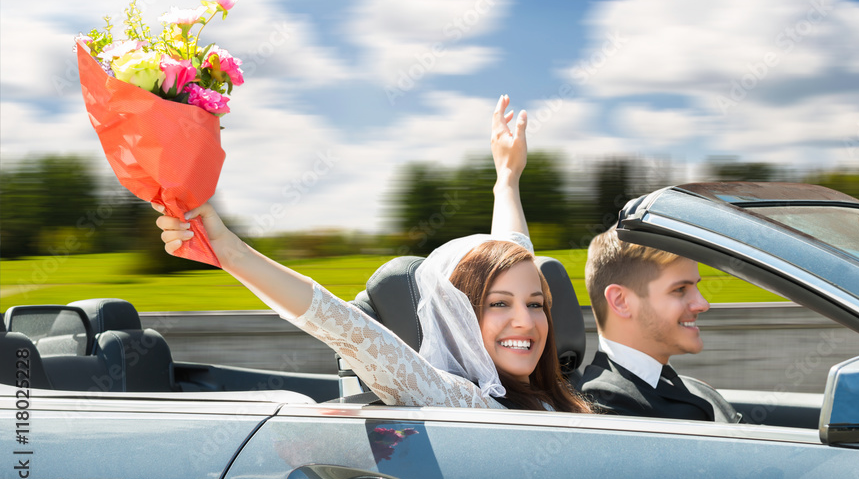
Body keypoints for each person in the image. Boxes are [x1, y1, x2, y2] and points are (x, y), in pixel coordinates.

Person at [155, 95, 592, 413]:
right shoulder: (462, 402)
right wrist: (231, 252)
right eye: (498, 304)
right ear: (459, 319)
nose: (526, 320)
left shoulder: (545, 394)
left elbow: (518, 254)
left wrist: (507, 178)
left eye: (536, 304)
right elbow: (342, 324)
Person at [575, 227, 740, 422]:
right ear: (620, 301)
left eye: (696, 286)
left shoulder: (693, 388)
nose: (703, 304)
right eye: (679, 289)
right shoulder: (607, 407)